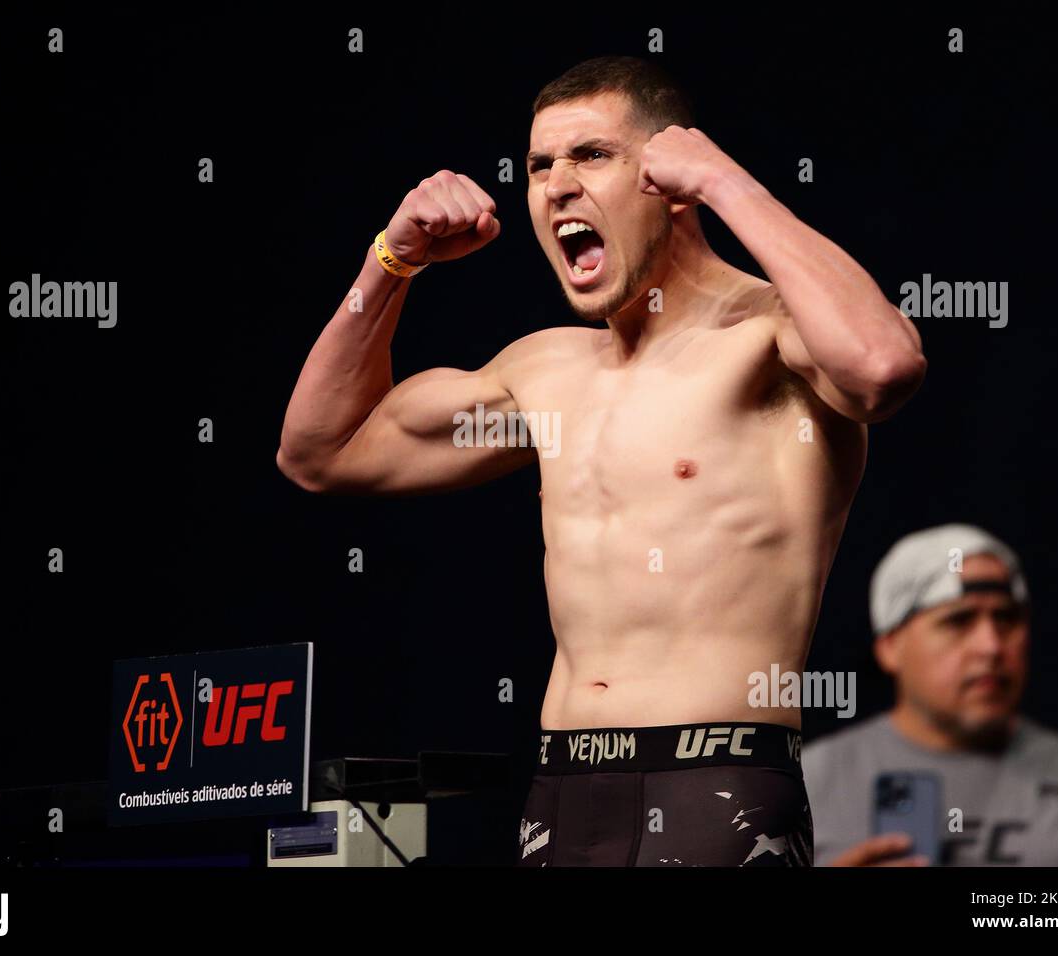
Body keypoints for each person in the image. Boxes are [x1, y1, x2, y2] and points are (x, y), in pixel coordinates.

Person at [276, 55, 926, 866]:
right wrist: (391, 261)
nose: (555, 185)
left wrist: (727, 182)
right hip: (560, 792)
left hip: (715, 782)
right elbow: (318, 452)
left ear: (669, 175)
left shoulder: (771, 337)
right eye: (540, 165)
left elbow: (882, 365)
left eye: (591, 156)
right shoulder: (546, 373)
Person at [803, 524, 1058, 866]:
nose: (991, 646)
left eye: (1007, 619)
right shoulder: (805, 787)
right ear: (890, 646)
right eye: (958, 620)